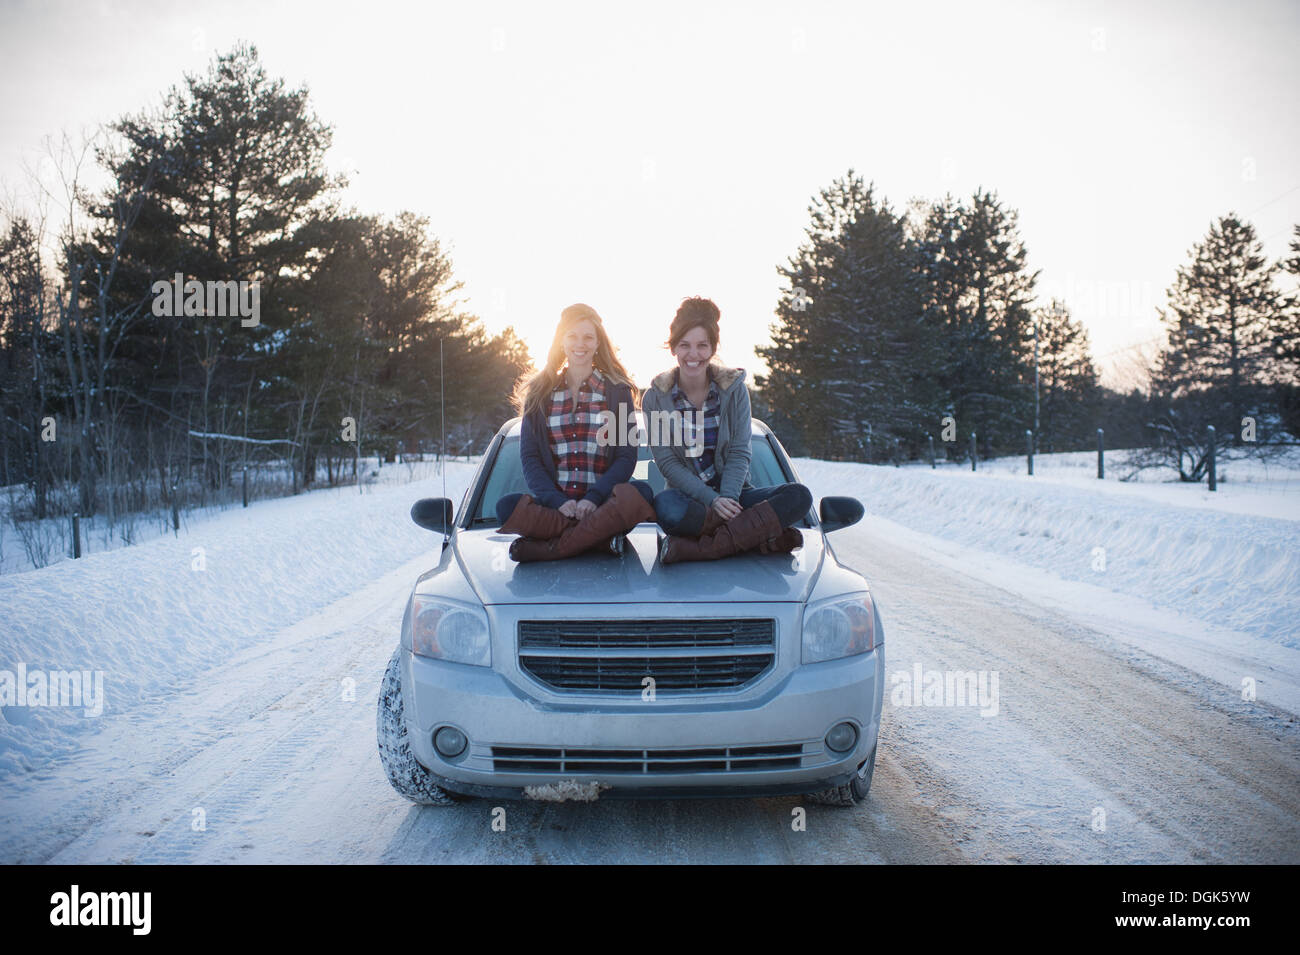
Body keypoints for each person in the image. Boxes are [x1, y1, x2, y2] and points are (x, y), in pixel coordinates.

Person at [641, 296, 812, 564]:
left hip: (737, 496)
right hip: (690, 502)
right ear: (673, 347)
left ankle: (701, 549)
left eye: (701, 345)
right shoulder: (654, 398)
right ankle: (755, 536)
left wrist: (727, 500)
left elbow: (739, 451)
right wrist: (712, 500)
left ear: (712, 348)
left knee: (799, 496)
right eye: (684, 345)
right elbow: (667, 463)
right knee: (666, 506)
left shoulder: (734, 391)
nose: (693, 354)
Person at [496, 303, 654, 561]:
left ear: (597, 344)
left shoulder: (617, 391)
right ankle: (598, 541)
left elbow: (626, 457)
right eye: (572, 336)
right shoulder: (540, 392)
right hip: (557, 510)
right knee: (506, 507)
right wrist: (557, 501)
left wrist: (594, 497)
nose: (580, 344)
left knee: (641, 494)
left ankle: (553, 548)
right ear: (561, 341)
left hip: (603, 507)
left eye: (588, 337)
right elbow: (531, 457)